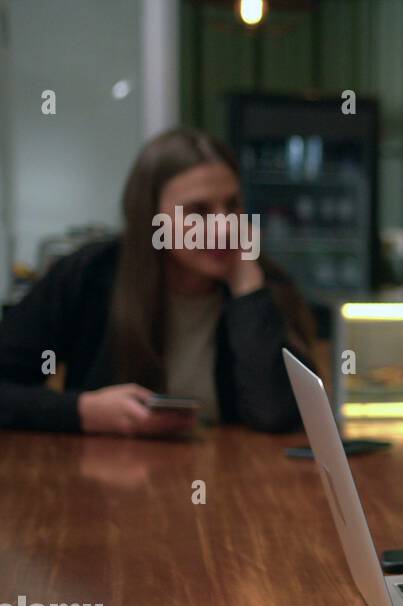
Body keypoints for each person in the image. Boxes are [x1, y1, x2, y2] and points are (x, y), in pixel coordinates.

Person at [0, 127, 317, 436]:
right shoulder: (90, 273)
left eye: (232, 205)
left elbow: (277, 414)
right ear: (150, 216)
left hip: (235, 480)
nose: (224, 227)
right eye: (198, 211)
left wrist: (247, 292)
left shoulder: (263, 284)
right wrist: (81, 411)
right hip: (108, 478)